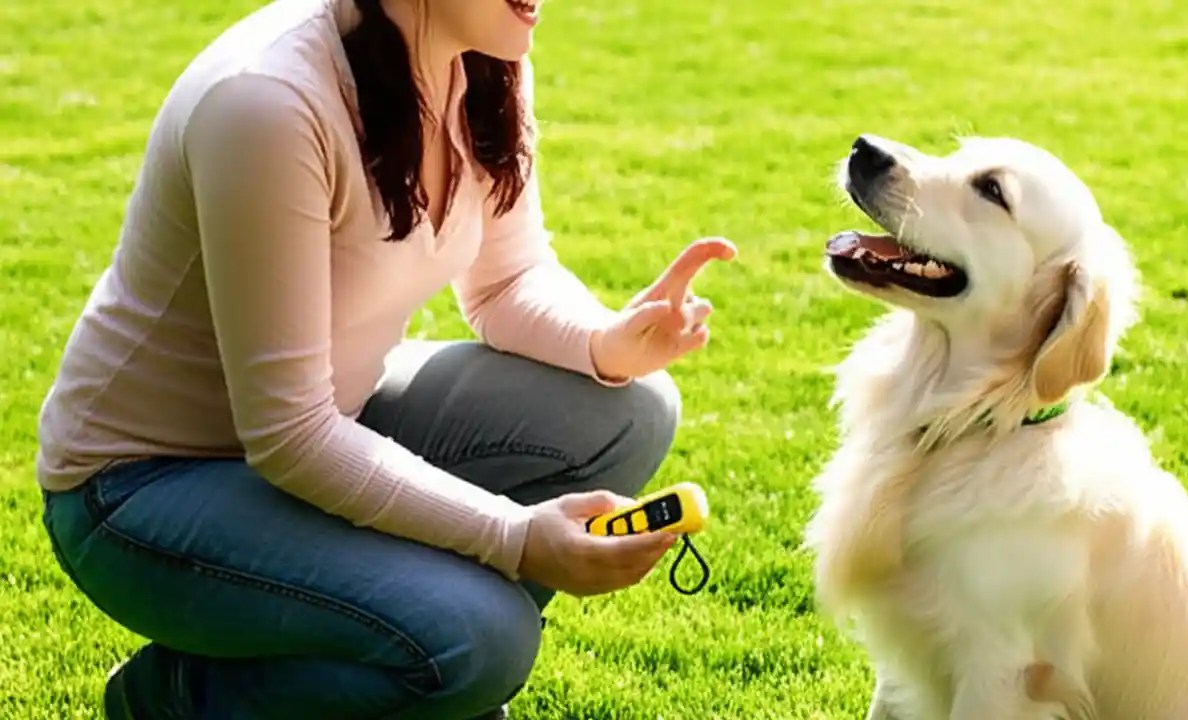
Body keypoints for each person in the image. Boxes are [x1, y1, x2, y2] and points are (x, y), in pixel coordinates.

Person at [34, 0, 736, 717]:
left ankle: (437, 675)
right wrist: (514, 537)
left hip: (332, 418)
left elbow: (506, 280)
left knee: (631, 411)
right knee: (484, 638)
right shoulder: (267, 103)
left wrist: (606, 342)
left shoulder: (482, 51)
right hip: (143, 488)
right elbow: (290, 434)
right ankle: (174, 700)